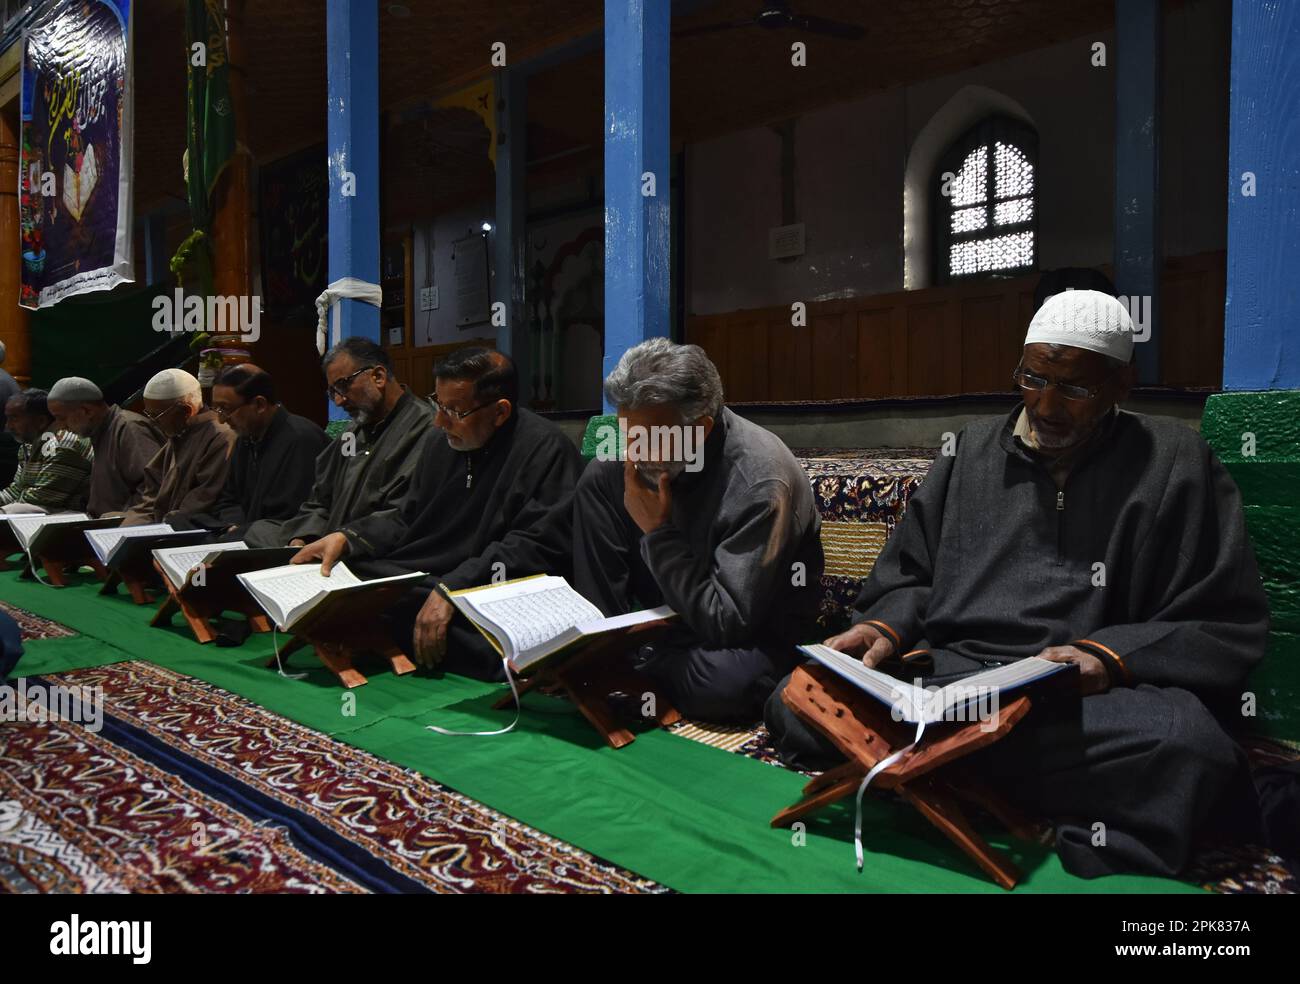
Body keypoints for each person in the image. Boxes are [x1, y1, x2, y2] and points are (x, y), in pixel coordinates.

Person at [766, 289, 1271, 878]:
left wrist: (1106, 657)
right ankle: (966, 766)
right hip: (953, 679)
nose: (1046, 405)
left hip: (1071, 704)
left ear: (1121, 385)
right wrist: (882, 628)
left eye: (1074, 388)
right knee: (795, 695)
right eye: (1032, 379)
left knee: (1185, 744)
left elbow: (1220, 621)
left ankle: (921, 761)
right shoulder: (970, 449)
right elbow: (912, 574)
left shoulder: (1175, 461)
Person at [570, 338, 824, 722]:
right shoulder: (630, 461)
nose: (633, 453)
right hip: (668, 624)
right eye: (627, 435)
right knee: (600, 475)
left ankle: (637, 666)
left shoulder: (760, 481)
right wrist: (598, 644)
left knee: (727, 685)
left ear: (700, 430)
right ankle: (605, 659)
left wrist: (657, 533)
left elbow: (728, 622)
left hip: (744, 637)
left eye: (647, 440)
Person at [292, 348, 581, 679]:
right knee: (350, 578)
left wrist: (452, 588)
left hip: (491, 584)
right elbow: (406, 517)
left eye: (454, 411)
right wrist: (347, 539)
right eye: (438, 404)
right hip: (430, 575)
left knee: (495, 633)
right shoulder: (438, 442)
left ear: (500, 412)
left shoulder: (545, 448)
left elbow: (536, 546)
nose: (439, 421)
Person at [245, 337, 436, 555]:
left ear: (378, 377)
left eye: (344, 386)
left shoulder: (426, 430)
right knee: (257, 532)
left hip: (374, 551)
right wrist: (304, 536)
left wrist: (347, 539)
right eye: (333, 392)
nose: (338, 401)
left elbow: (404, 513)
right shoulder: (351, 434)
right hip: (329, 542)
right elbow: (320, 499)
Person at [177, 364, 328, 538]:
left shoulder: (301, 439)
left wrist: (240, 532)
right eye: (217, 409)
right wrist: (233, 524)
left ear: (259, 404)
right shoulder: (246, 436)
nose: (221, 419)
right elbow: (228, 498)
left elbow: (291, 515)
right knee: (179, 522)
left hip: (281, 536)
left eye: (226, 409)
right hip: (245, 531)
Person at [121, 368, 235, 526]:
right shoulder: (179, 432)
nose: (153, 422)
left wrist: (158, 527)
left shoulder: (221, 437)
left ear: (186, 410)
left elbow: (201, 501)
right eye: (149, 414)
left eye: (156, 415)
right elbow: (152, 495)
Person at [47, 376, 163, 517]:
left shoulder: (130, 429)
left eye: (62, 418)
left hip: (125, 525)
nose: (61, 426)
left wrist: (123, 517)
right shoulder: (100, 432)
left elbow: (154, 490)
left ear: (87, 411)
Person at [0, 388, 93, 514]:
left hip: (78, 516)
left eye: (14, 419)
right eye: (8, 419)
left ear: (41, 421)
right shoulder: (28, 446)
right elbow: (16, 490)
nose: (8, 426)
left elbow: (42, 499)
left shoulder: (61, 444)